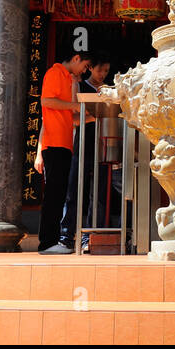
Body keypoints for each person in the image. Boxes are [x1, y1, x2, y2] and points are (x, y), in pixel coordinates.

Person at [34, 50, 90, 254]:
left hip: (65, 143)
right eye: (84, 66)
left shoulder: (67, 77)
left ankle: (52, 241)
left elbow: (72, 113)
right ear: (76, 58)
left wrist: (75, 84)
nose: (84, 71)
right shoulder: (55, 72)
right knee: (53, 196)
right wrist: (76, 105)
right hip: (54, 143)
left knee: (58, 196)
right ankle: (47, 242)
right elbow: (47, 101)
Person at [62, 54, 111, 251]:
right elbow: (74, 117)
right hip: (81, 145)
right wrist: (97, 115)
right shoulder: (81, 87)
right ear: (90, 68)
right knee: (73, 191)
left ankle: (90, 237)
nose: (103, 74)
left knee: (98, 195)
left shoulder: (108, 91)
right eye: (100, 70)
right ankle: (66, 235)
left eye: (106, 71)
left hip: (104, 146)